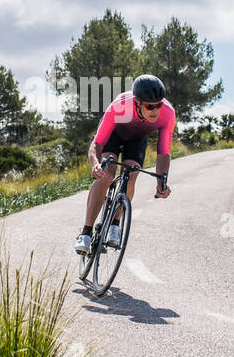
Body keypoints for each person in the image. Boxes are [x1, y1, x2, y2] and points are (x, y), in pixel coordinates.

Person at [74, 73, 174, 254]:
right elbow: (96, 144)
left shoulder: (168, 114)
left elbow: (163, 153)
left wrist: (161, 182)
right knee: (107, 175)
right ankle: (86, 233)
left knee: (131, 177)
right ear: (137, 102)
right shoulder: (120, 105)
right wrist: (95, 164)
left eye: (158, 104)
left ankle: (115, 224)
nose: (155, 110)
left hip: (137, 140)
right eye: (149, 106)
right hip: (114, 135)